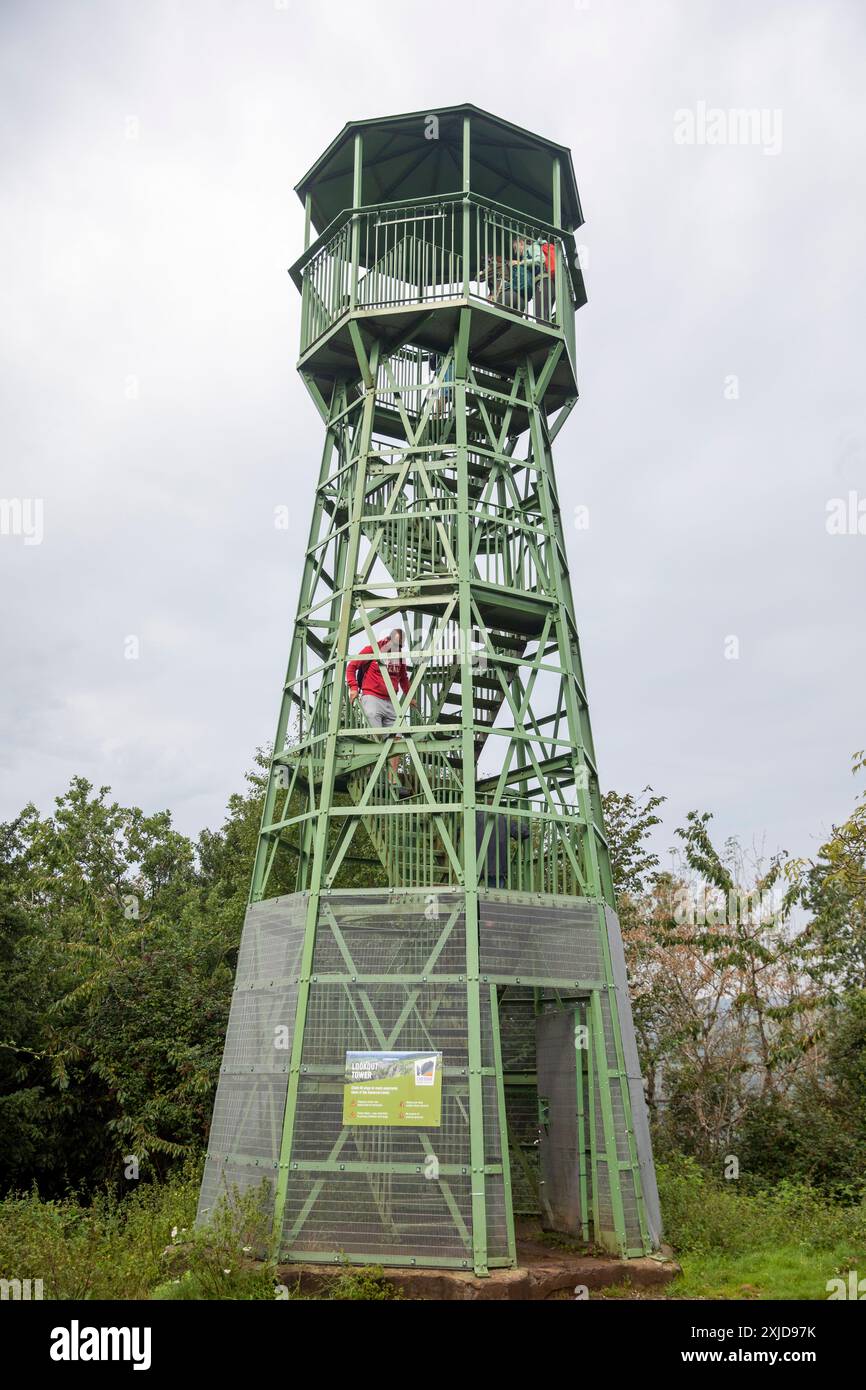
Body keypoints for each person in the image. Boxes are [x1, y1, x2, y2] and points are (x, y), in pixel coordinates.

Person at [346, 628, 418, 796]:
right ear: (388, 639)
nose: (397, 648)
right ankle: (373, 775)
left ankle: (392, 779)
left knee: (398, 738)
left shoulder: (400, 656)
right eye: (395, 643)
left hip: (391, 700)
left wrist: (410, 695)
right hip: (372, 697)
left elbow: (403, 678)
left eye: (400, 645)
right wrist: (353, 688)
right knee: (376, 737)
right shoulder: (373, 649)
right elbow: (352, 666)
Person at [475, 806, 530, 888]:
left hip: (475, 865)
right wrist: (526, 825)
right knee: (494, 898)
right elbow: (524, 832)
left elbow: (458, 833)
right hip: (497, 868)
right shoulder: (503, 820)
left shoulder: (474, 818)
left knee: (468, 895)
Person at [534, 240, 556, 322]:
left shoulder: (534, 250)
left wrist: (522, 262)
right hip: (552, 285)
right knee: (546, 316)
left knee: (540, 317)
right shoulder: (549, 248)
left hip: (544, 283)